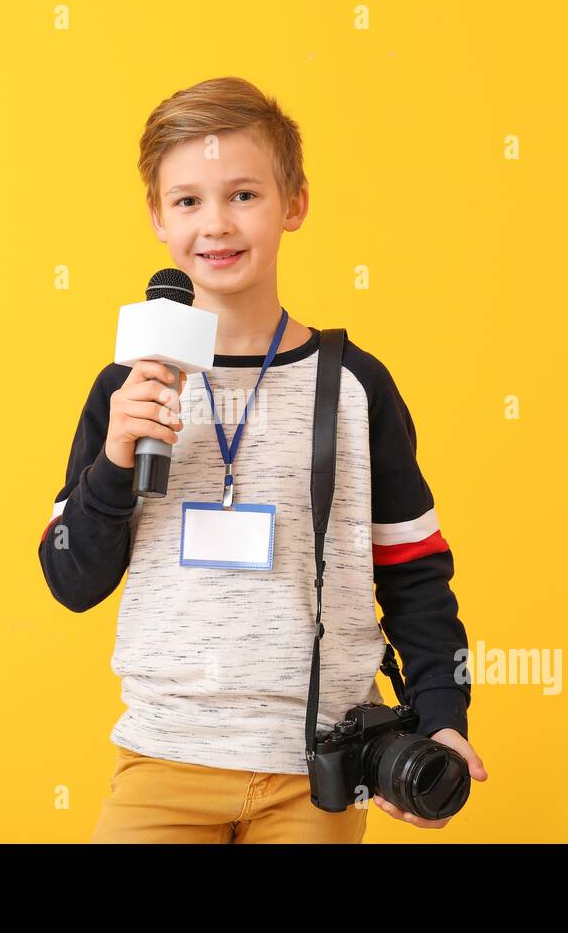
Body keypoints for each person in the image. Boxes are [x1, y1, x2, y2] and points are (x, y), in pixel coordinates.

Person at [37, 76, 487, 843]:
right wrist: (115, 463)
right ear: (156, 218)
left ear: (295, 204)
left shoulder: (355, 385)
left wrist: (443, 716)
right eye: (187, 201)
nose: (216, 223)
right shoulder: (130, 385)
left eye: (243, 194)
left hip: (318, 765)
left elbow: (414, 569)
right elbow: (71, 580)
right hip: (164, 756)